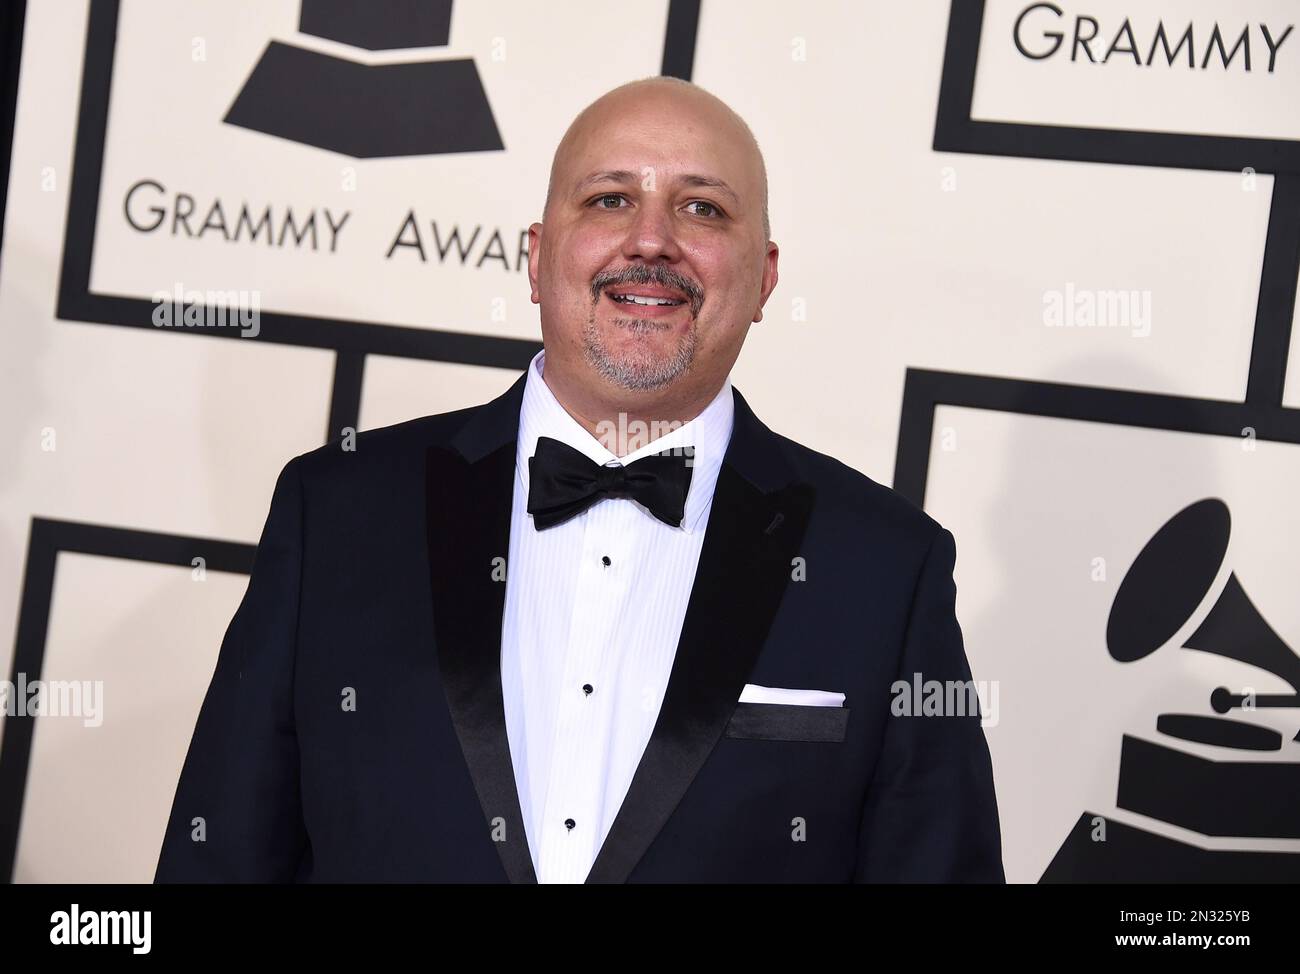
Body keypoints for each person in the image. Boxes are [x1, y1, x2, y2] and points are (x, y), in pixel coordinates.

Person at [155, 76, 1004, 883]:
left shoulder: (885, 569)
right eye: (609, 199)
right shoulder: (336, 511)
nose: (650, 239)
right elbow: (220, 856)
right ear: (535, 257)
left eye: (702, 207)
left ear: (764, 279)